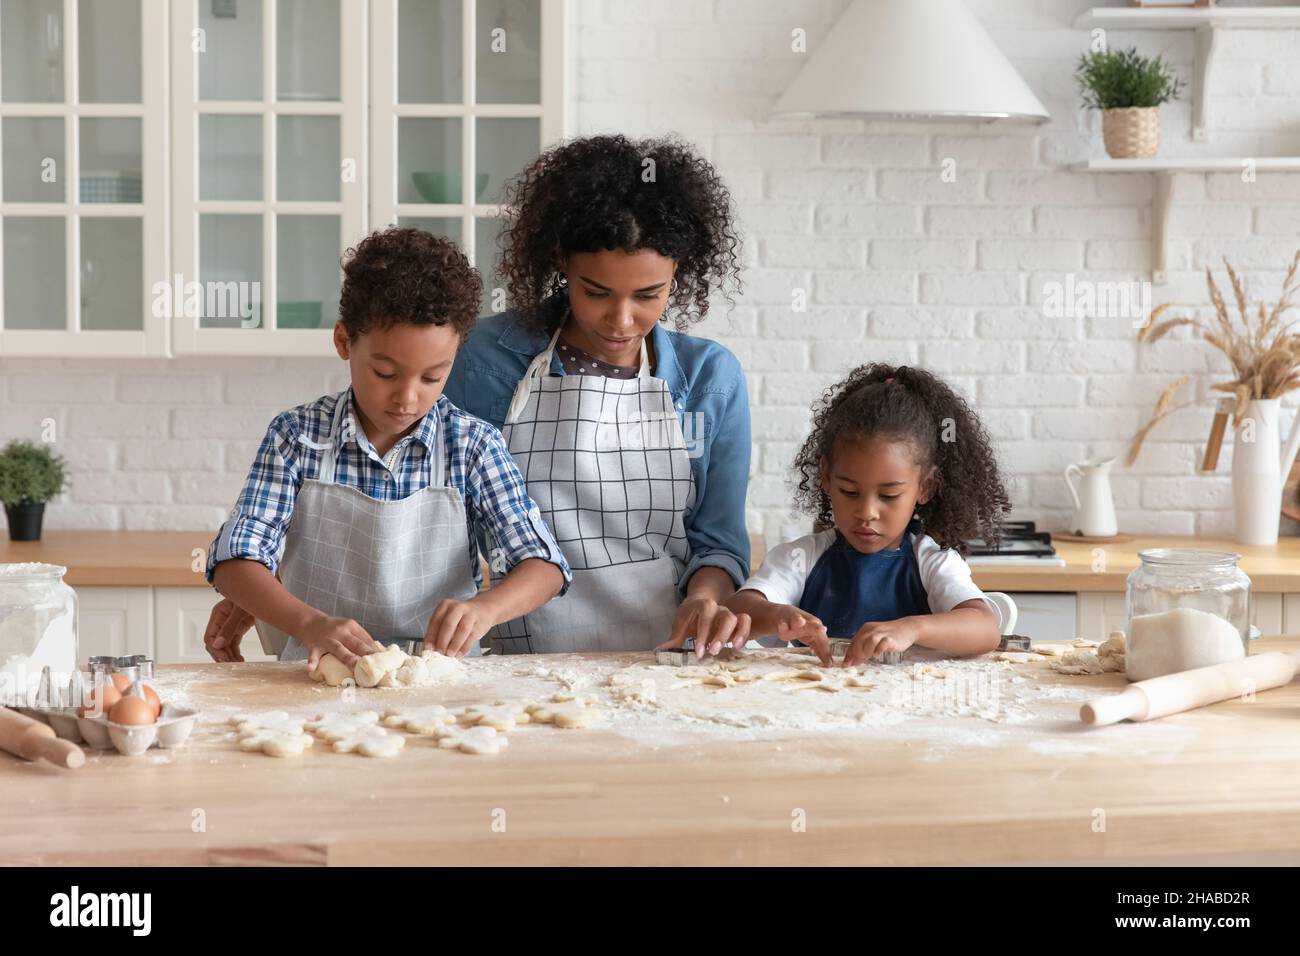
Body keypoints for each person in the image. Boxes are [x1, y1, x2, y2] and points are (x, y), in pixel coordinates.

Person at [203, 227, 571, 672]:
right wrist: (310, 622)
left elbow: (543, 564)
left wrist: (485, 610)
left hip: (442, 677)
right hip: (318, 672)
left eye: (432, 378)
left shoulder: (472, 445)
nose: (407, 398)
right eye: (384, 372)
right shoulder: (295, 437)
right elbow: (234, 558)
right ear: (344, 342)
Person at [442, 133, 752, 656]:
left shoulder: (709, 379)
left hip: (663, 656)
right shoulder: (484, 360)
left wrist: (705, 597)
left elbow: (718, 541)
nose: (621, 320)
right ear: (561, 262)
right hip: (513, 662)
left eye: (648, 295)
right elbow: (436, 514)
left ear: (679, 271)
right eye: (596, 292)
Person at [725, 364, 1010, 666]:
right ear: (825, 477)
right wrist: (778, 615)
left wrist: (913, 628)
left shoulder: (932, 562)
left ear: (924, 487)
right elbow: (738, 609)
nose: (866, 512)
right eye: (849, 492)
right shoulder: (801, 558)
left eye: (888, 496)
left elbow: (985, 628)